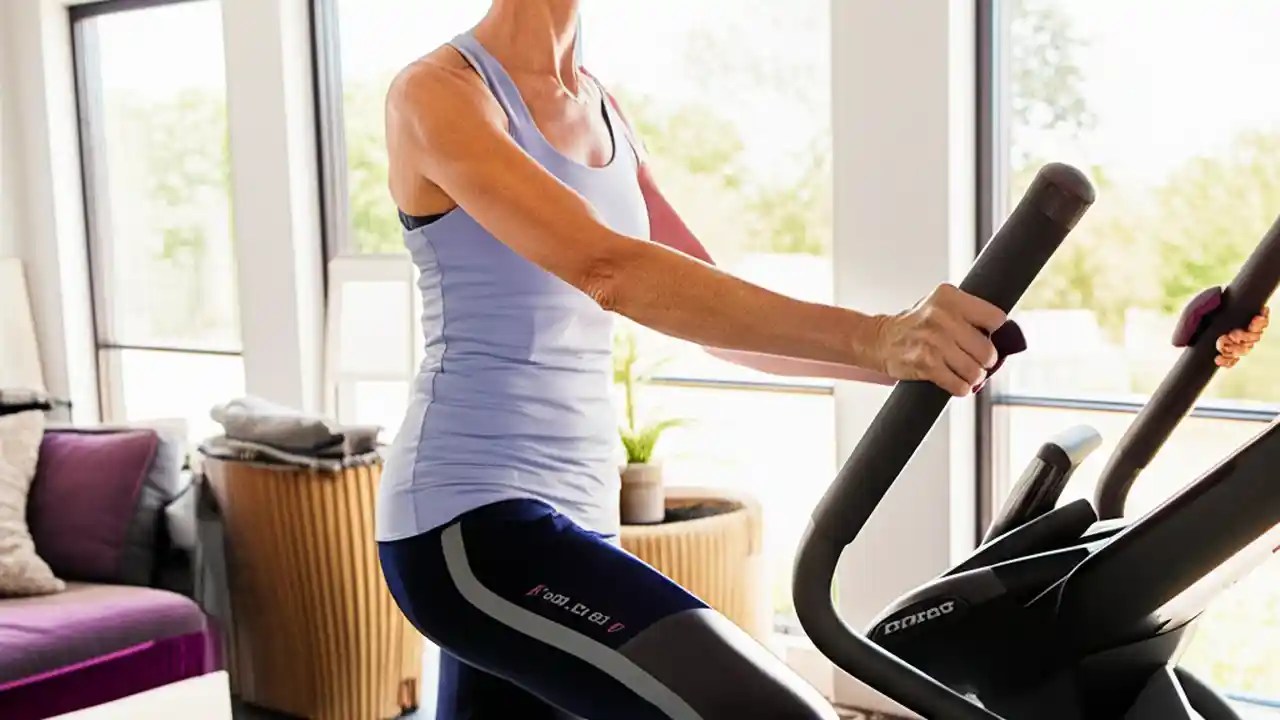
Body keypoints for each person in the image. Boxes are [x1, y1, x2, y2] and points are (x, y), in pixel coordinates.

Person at [374, 2, 1271, 718]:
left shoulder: (603, 109)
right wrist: (883, 333)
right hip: (470, 525)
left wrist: (914, 353)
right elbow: (611, 271)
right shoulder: (441, 94)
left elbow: (712, 312)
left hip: (570, 524)